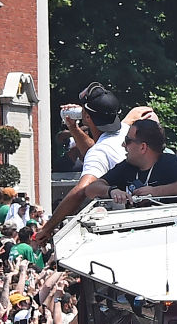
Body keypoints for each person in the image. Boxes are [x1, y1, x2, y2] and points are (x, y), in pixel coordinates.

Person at [38, 83, 150, 238]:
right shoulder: (127, 130)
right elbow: (97, 150)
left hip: (127, 224)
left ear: (88, 117)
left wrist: (47, 228)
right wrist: (73, 127)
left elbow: (81, 190)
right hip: (151, 211)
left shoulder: (100, 151)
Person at [87, 118, 177, 204]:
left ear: (143, 147)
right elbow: (90, 189)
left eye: (127, 140)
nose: (123, 144)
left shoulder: (169, 163)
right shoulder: (127, 166)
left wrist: (156, 191)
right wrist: (111, 191)